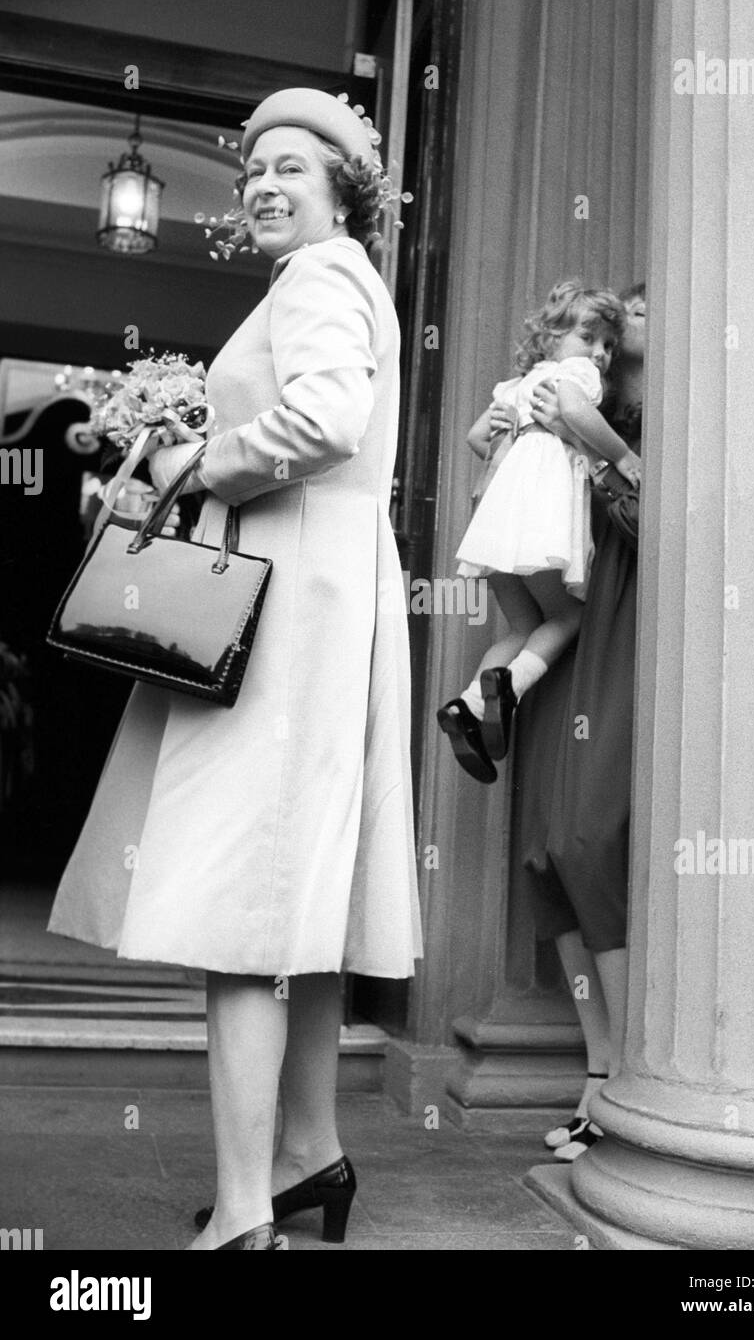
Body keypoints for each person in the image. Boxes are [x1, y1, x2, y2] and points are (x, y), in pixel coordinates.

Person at [48, 89, 423, 1249]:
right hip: (317, 607)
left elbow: (324, 421)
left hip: (283, 627)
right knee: (290, 916)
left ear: (341, 190)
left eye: (291, 168)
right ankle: (309, 1157)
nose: (262, 183)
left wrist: (192, 462)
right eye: (252, 167)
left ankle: (248, 1212)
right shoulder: (336, 279)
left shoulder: (317, 279)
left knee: (235, 917)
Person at [524, 283, 645, 1160]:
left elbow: (667, 521)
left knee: (589, 839)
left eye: (645, 307)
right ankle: (598, 1069)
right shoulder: (577, 387)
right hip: (564, 623)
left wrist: (594, 441)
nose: (632, 318)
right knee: (540, 855)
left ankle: (632, 1076)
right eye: (624, 308)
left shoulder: (675, 411)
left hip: (631, 630)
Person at [437, 282, 640, 784]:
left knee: (523, 626)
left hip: (497, 523)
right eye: (589, 337)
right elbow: (573, 412)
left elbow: (476, 436)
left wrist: (518, 437)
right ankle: (509, 687)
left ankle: (467, 707)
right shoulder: (577, 376)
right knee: (568, 615)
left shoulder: (517, 385)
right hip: (540, 518)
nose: (599, 353)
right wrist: (623, 456)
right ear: (552, 338)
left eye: (608, 346)